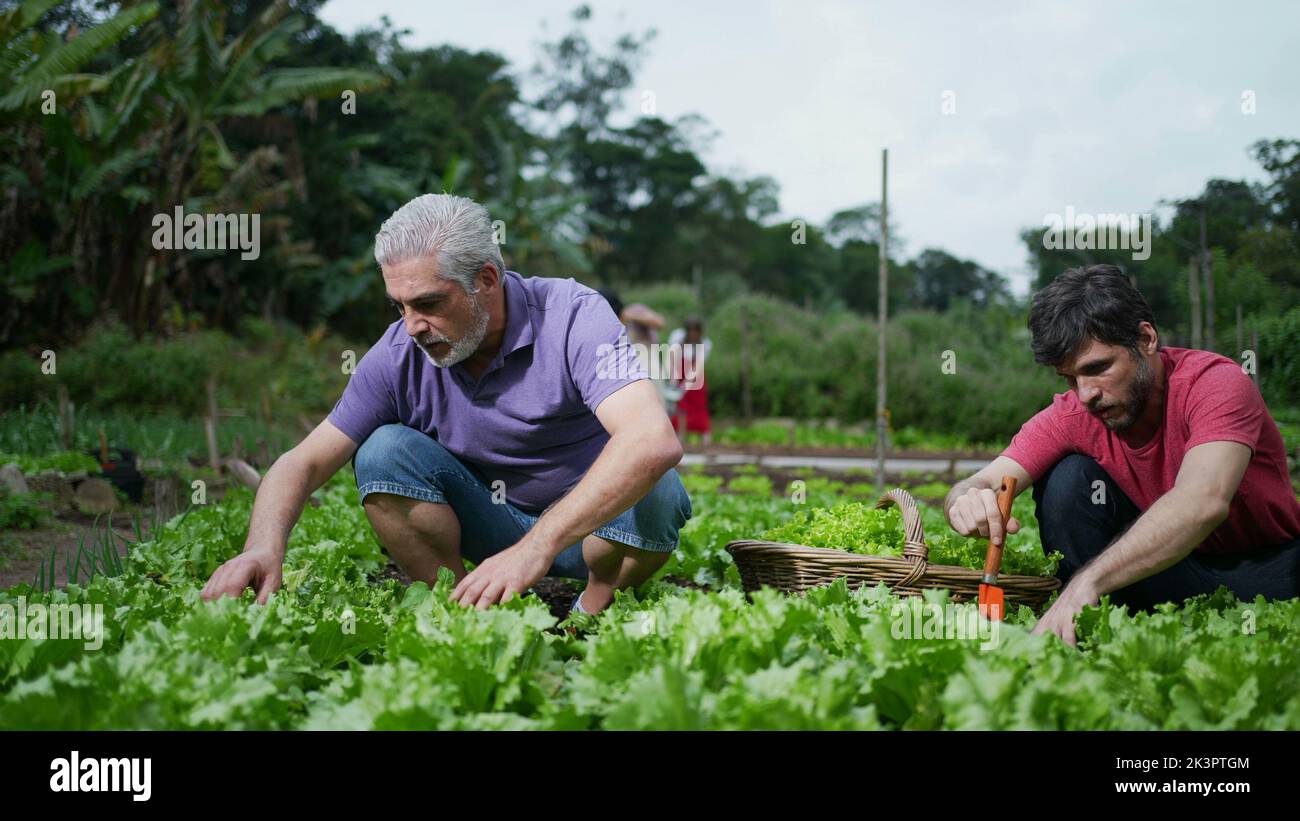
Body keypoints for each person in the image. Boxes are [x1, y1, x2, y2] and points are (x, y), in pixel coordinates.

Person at [201, 193, 691, 614]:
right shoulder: (400, 352)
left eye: (429, 304)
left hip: (595, 535)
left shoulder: (571, 315)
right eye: (400, 306)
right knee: (383, 451)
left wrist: (537, 547)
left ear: (486, 280)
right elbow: (303, 461)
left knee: (659, 487)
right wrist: (262, 548)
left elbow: (651, 440)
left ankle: (592, 607)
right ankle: (462, 607)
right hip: (489, 523)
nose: (412, 325)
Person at [944, 264, 1300, 646]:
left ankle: (1082, 598)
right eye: (1070, 378)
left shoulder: (1216, 384)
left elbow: (1202, 503)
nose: (1086, 394)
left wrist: (1087, 581)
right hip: (1164, 570)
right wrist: (967, 499)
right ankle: (1090, 620)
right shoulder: (1075, 414)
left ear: (1145, 339)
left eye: (1097, 368)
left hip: (1267, 570)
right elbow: (984, 479)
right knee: (1068, 479)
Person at [669, 317, 712, 445]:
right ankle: (679, 439)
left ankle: (705, 441)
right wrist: (674, 381)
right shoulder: (677, 337)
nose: (693, 334)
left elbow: (697, 366)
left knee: (699, 407)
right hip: (679, 374)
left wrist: (685, 387)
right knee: (680, 408)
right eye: (691, 331)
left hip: (696, 379)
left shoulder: (705, 343)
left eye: (696, 331)